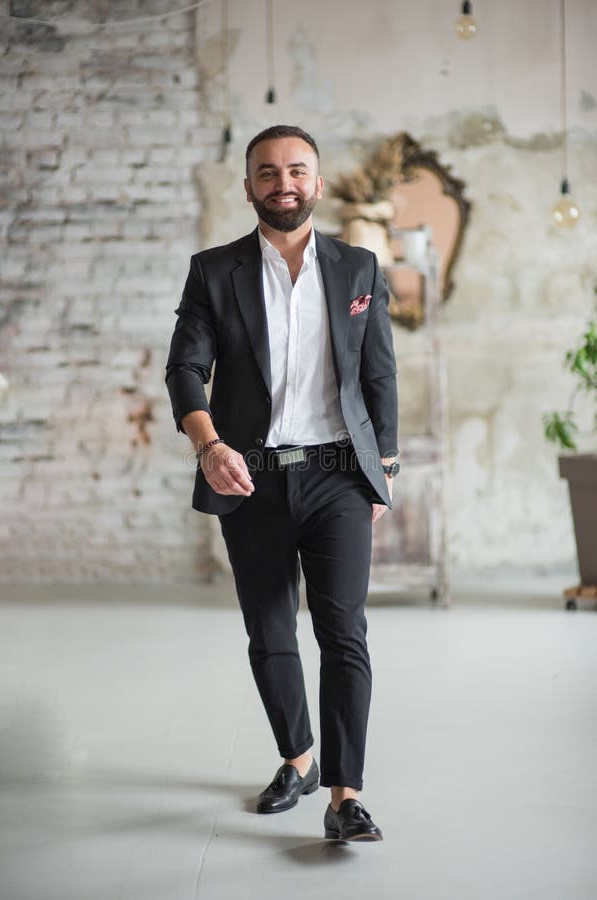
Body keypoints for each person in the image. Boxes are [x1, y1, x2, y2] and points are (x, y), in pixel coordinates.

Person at [165, 125, 399, 842]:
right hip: (251, 480)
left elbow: (379, 374)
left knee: (343, 634)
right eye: (267, 172)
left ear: (318, 183)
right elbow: (184, 368)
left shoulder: (358, 267)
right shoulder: (213, 271)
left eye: (297, 170)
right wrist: (208, 447)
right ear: (247, 188)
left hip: (337, 478)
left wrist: (382, 471)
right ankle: (296, 760)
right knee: (269, 633)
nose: (283, 183)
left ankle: (344, 796)